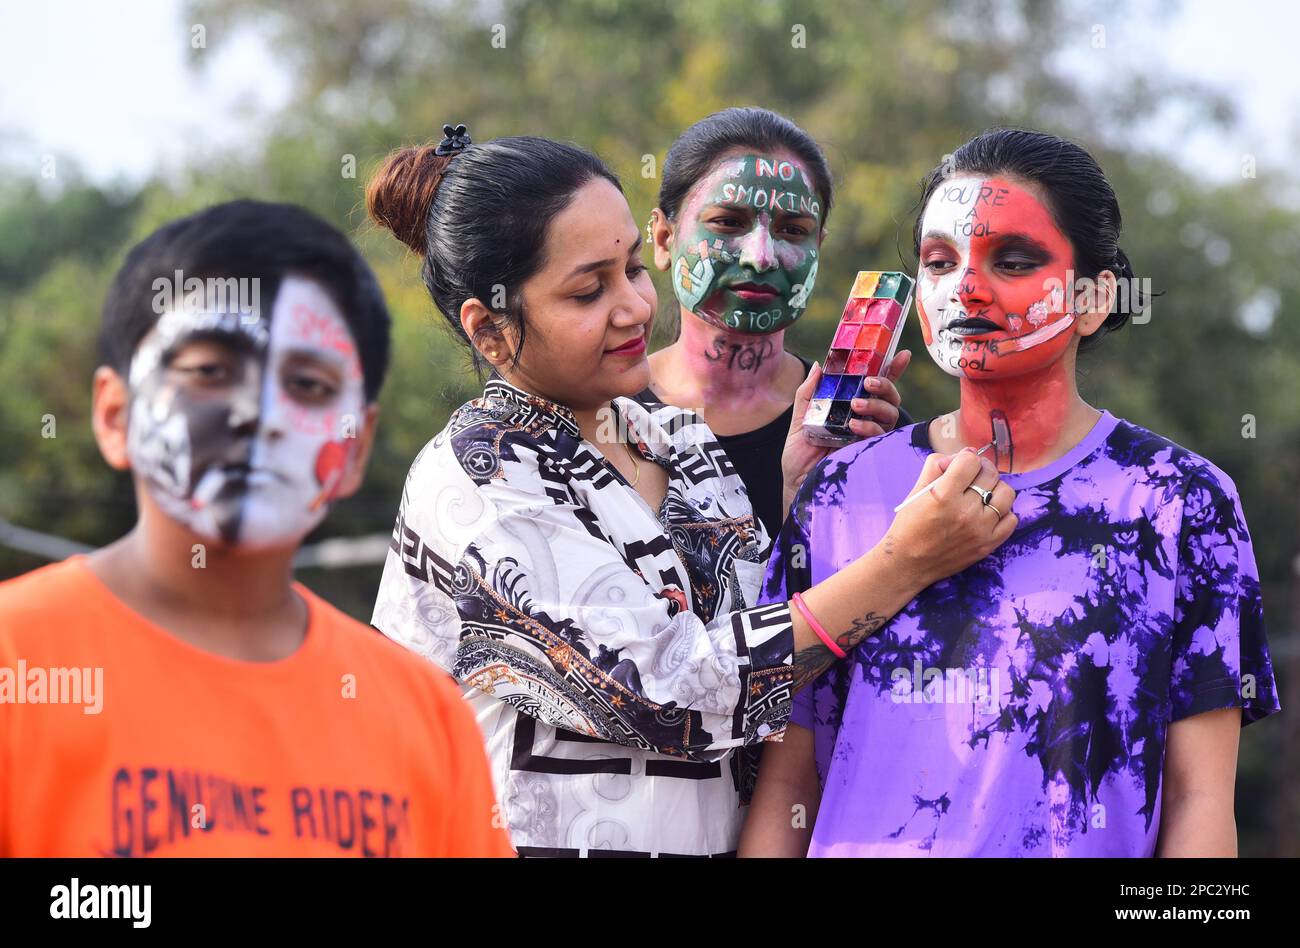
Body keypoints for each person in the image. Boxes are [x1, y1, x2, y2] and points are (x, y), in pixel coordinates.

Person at [368, 124, 1014, 857]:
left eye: (632, 272)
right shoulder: (480, 477)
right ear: (489, 330)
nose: (636, 307)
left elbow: (764, 654)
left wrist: (799, 489)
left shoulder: (673, 440)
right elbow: (669, 693)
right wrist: (905, 563)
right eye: (589, 290)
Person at [740, 128, 1281, 858]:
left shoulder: (1178, 502)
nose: (967, 286)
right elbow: (788, 783)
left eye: (1014, 260)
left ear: (1092, 298)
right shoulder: (842, 488)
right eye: (940, 262)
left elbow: (1200, 799)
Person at [0, 200, 514, 857]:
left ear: (356, 447)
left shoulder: (427, 718)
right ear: (114, 415)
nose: (262, 415)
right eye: (211, 371)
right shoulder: (16, 662)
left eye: (307, 384)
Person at [642, 107, 912, 541]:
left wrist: (854, 478)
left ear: (818, 246)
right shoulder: (600, 416)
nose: (762, 255)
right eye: (728, 222)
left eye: (792, 230)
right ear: (663, 238)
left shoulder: (867, 429)